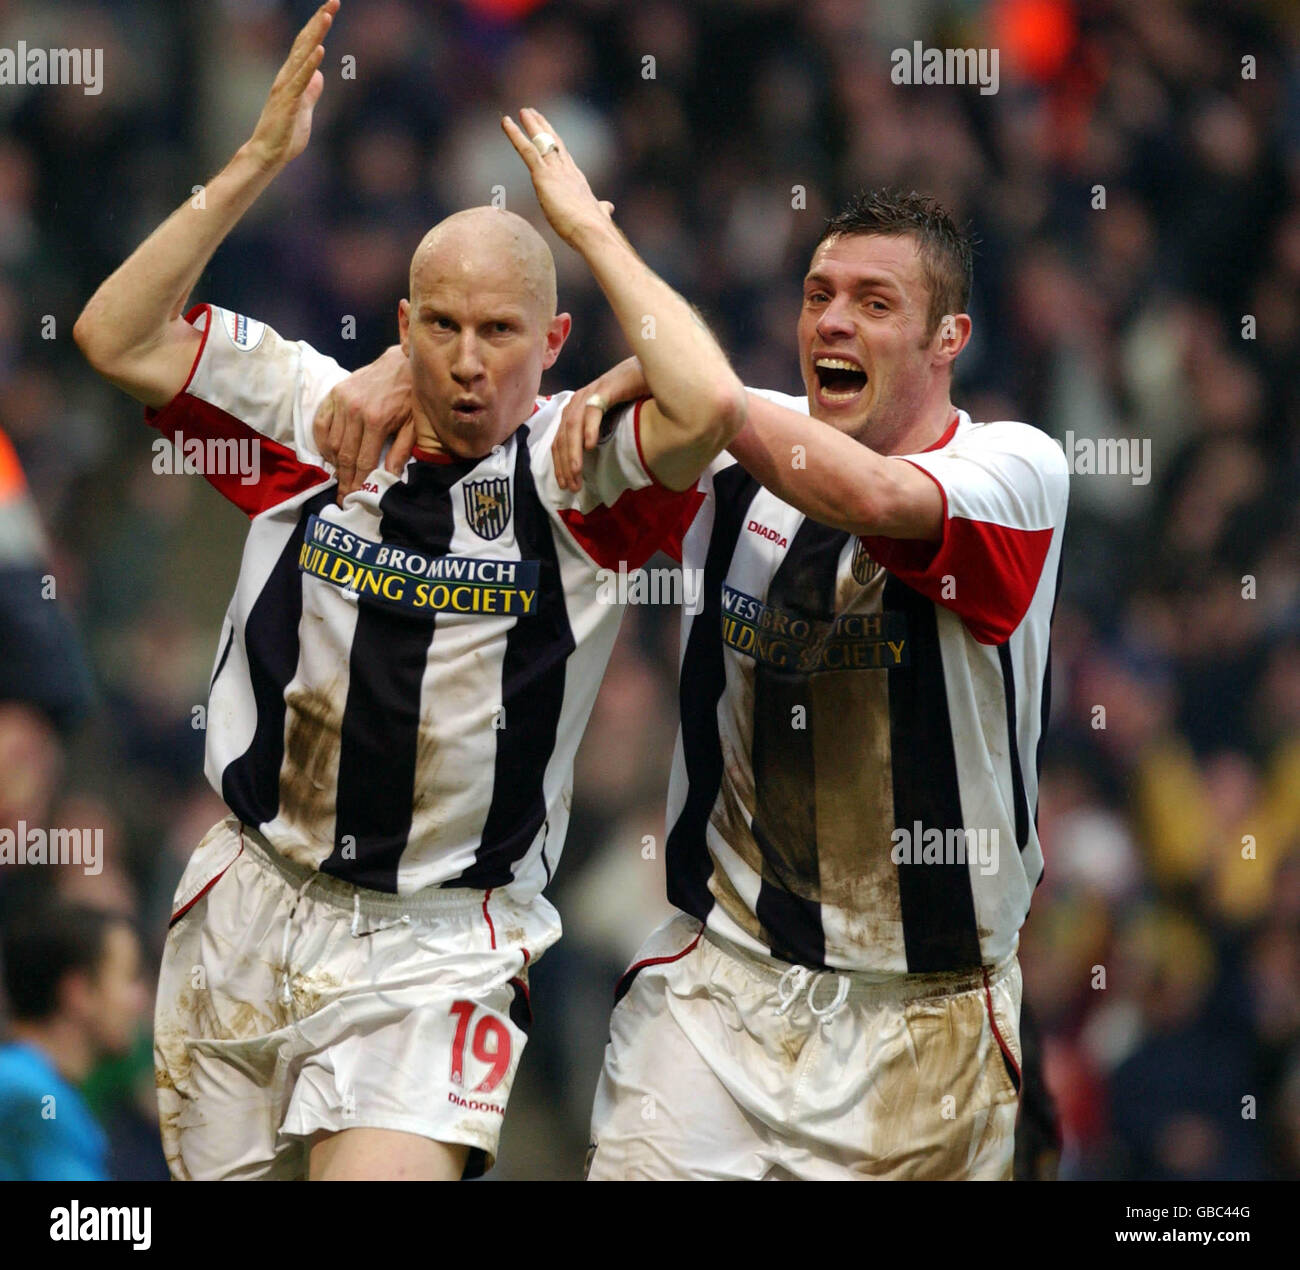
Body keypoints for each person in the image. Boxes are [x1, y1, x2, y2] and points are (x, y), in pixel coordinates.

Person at [72, 0, 746, 1180]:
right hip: (248, 898)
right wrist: (256, 163)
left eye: (500, 329)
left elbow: (709, 404)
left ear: (555, 339)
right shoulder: (311, 415)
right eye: (438, 326)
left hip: (434, 949)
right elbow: (114, 335)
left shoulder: (578, 480)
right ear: (401, 324)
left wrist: (588, 225)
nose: (468, 358)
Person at [324, 188, 1068, 1179]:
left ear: (949, 338)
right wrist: (392, 373)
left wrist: (636, 304)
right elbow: (496, 402)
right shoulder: (726, 442)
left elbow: (868, 492)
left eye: (874, 303)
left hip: (924, 1018)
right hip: (720, 995)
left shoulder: (1014, 468)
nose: (834, 320)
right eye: (818, 295)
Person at [0, 902, 146, 1180]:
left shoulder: (41, 1092)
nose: (139, 1001)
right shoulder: (29, 1097)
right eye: (129, 978)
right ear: (78, 993)